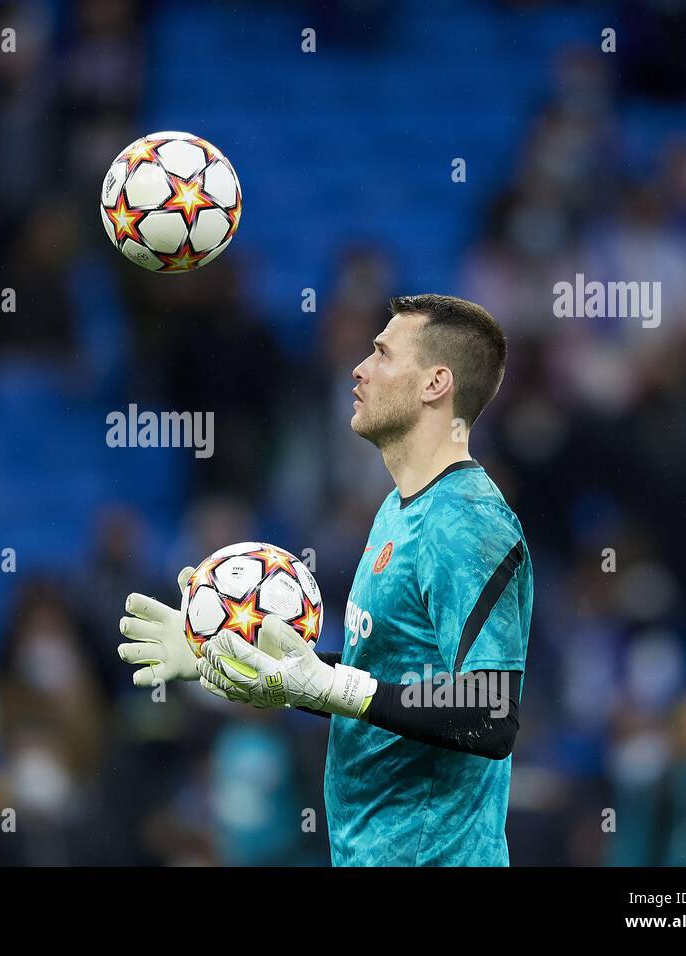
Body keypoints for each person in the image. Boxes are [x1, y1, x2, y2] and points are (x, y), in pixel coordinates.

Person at [119, 294, 533, 866]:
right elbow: (386, 682)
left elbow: (491, 712)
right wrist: (246, 657)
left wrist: (340, 691)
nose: (359, 370)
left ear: (435, 384)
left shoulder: (466, 524)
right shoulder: (399, 509)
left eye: (382, 355)